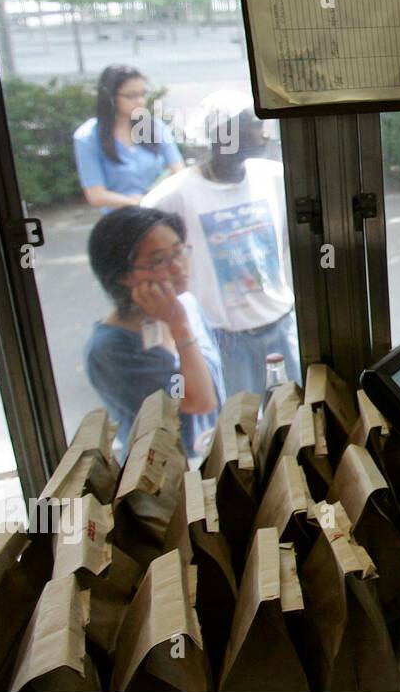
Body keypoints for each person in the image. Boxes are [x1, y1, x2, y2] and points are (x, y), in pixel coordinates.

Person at [142, 91, 299, 395]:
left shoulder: (274, 178)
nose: (263, 132)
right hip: (225, 338)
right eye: (253, 125)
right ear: (225, 133)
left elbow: (283, 240)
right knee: (240, 427)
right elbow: (145, 253)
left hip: (281, 325)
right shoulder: (175, 196)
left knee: (297, 418)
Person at [84, 206, 225, 458]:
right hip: (163, 475)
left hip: (209, 455)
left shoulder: (186, 304)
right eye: (159, 260)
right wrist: (179, 326)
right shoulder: (111, 348)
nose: (178, 267)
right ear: (123, 276)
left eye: (179, 251)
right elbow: (199, 402)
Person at [73, 64, 184, 212]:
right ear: (111, 97)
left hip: (161, 213)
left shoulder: (155, 127)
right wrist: (136, 202)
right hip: (122, 221)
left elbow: (179, 171)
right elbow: (96, 195)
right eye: (131, 96)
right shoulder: (88, 137)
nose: (141, 101)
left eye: (143, 94)